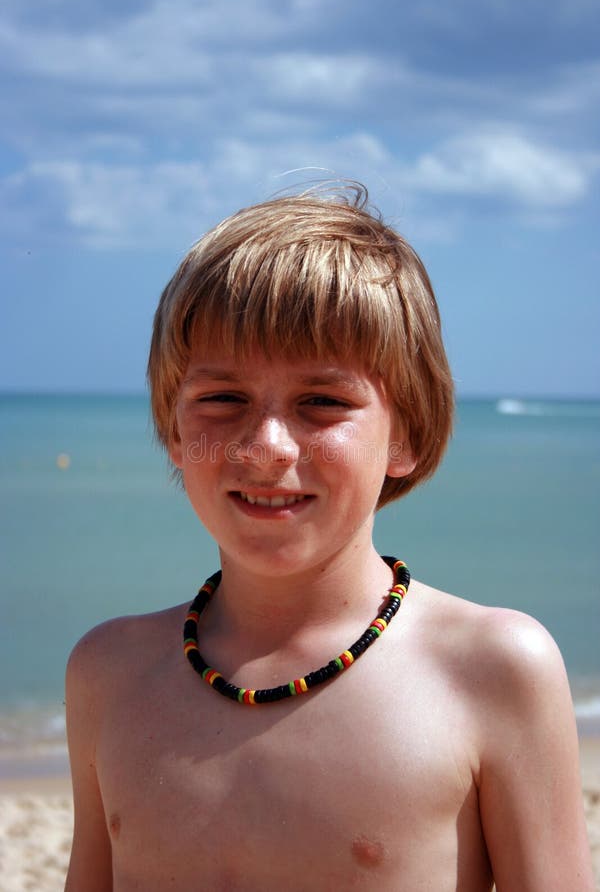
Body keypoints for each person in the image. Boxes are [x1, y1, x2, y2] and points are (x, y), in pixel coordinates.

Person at [65, 185, 593, 891]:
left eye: (323, 402)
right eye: (223, 399)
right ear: (173, 431)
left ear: (404, 434)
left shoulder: (491, 670)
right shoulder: (108, 673)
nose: (266, 445)